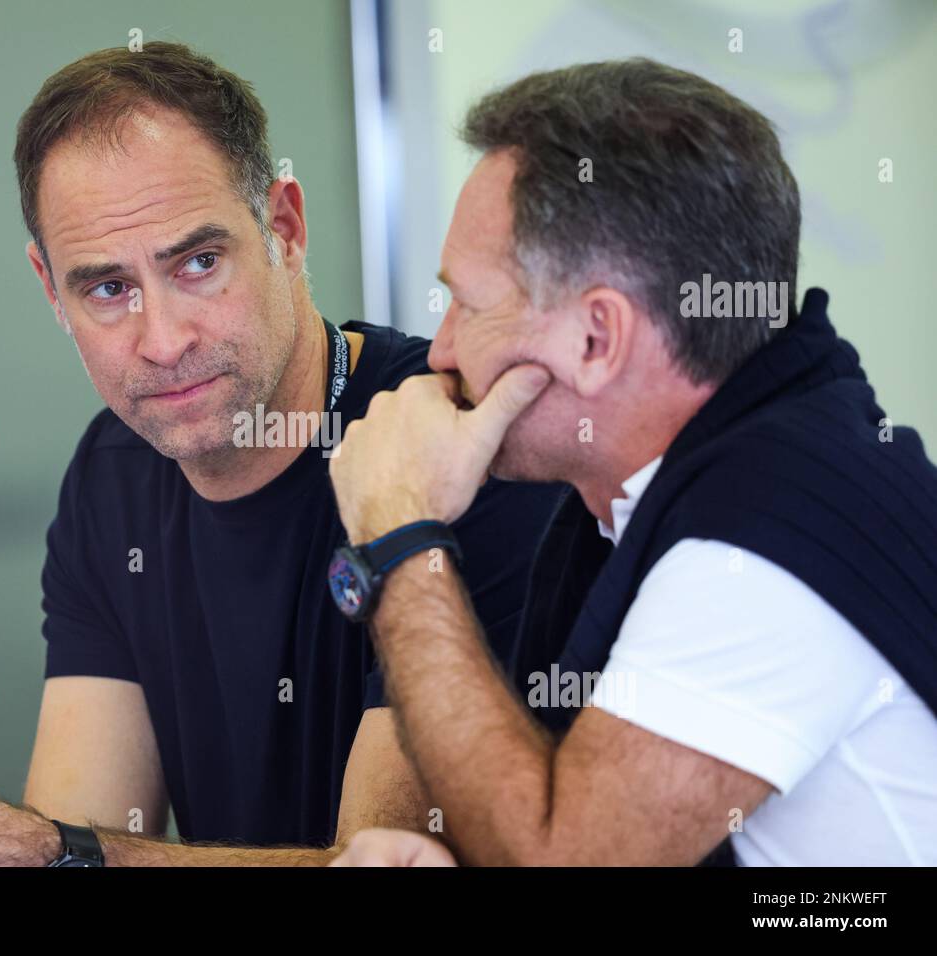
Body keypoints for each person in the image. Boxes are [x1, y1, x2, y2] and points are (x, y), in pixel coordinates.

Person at [0, 42, 559, 867]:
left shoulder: (456, 446)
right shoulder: (113, 473)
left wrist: (8, 847)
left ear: (283, 228)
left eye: (200, 263)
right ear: (50, 288)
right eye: (108, 289)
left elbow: (383, 863)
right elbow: (81, 834)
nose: (163, 340)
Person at [327, 58, 937, 867]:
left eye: (467, 305)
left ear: (596, 339)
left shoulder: (759, 541)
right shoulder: (671, 490)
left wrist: (400, 539)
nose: (438, 350)